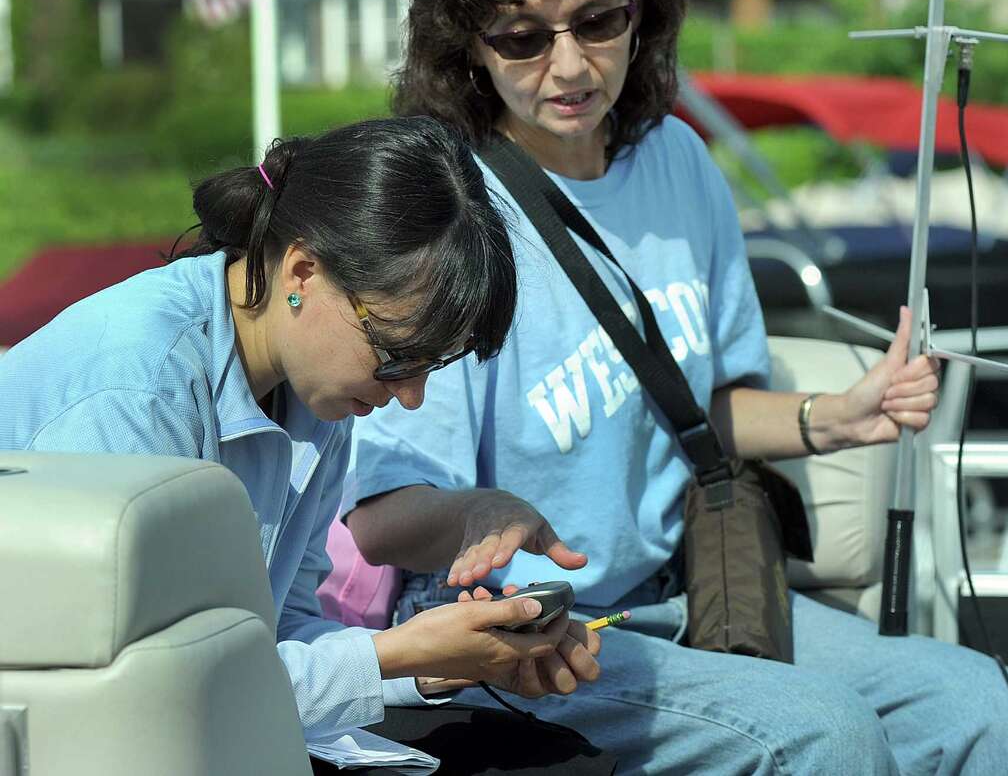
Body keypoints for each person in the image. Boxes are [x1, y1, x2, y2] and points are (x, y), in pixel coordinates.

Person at [344, 0, 1008, 774]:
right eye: (523, 36)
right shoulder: (444, 213)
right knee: (827, 735)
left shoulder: (680, 162)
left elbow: (702, 405)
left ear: (643, 15)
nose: (569, 67)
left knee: (997, 712)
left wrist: (832, 417)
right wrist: (479, 511)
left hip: (699, 595)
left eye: (598, 21)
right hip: (526, 635)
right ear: (467, 48)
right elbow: (375, 515)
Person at [0, 115, 604, 762]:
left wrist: (440, 663)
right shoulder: (137, 391)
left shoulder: (316, 391)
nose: (410, 394)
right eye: (398, 355)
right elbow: (153, 699)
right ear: (302, 271)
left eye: (433, 365)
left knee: (555, 754)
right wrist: (400, 651)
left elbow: (275, 632)